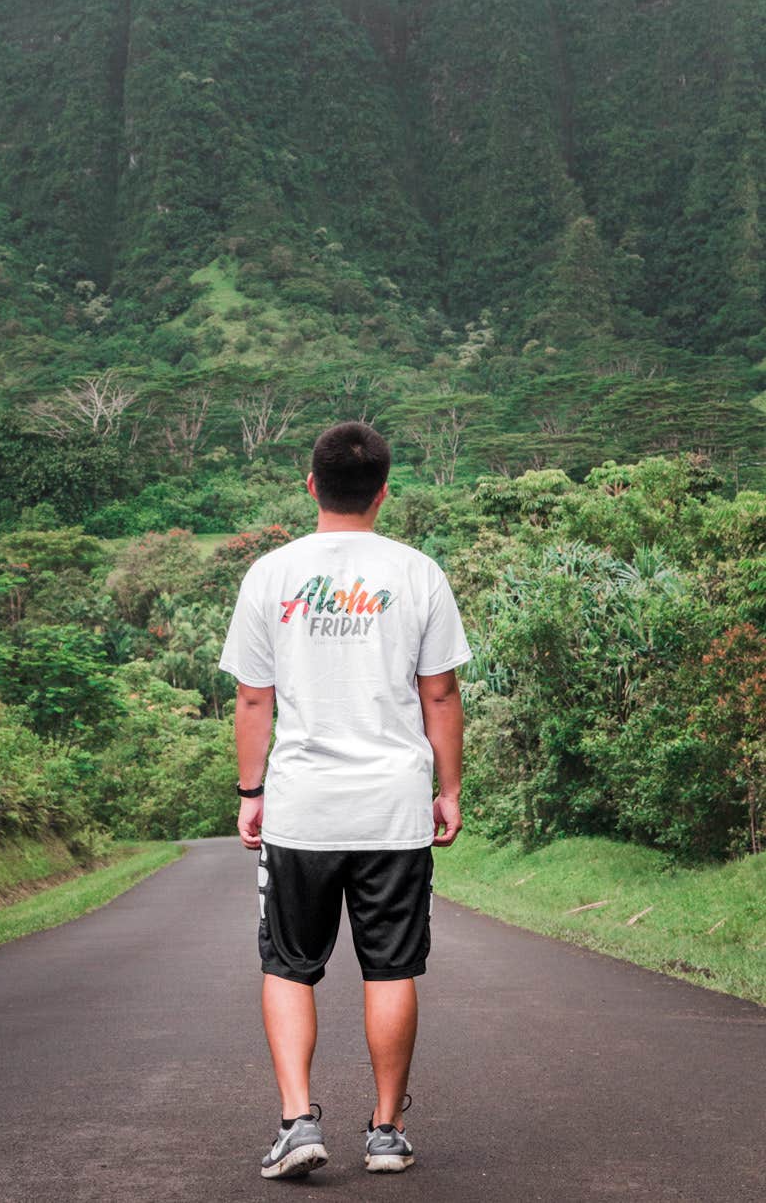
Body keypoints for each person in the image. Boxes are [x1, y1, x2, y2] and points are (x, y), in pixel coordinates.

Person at [219, 420, 470, 1180]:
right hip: (393, 808)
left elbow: (254, 702)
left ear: (311, 485)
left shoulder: (271, 574)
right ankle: (387, 1132)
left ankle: (298, 1121)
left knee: (290, 964)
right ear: (384, 492)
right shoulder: (417, 572)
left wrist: (251, 791)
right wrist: (449, 790)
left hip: (303, 806)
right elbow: (442, 693)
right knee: (390, 967)